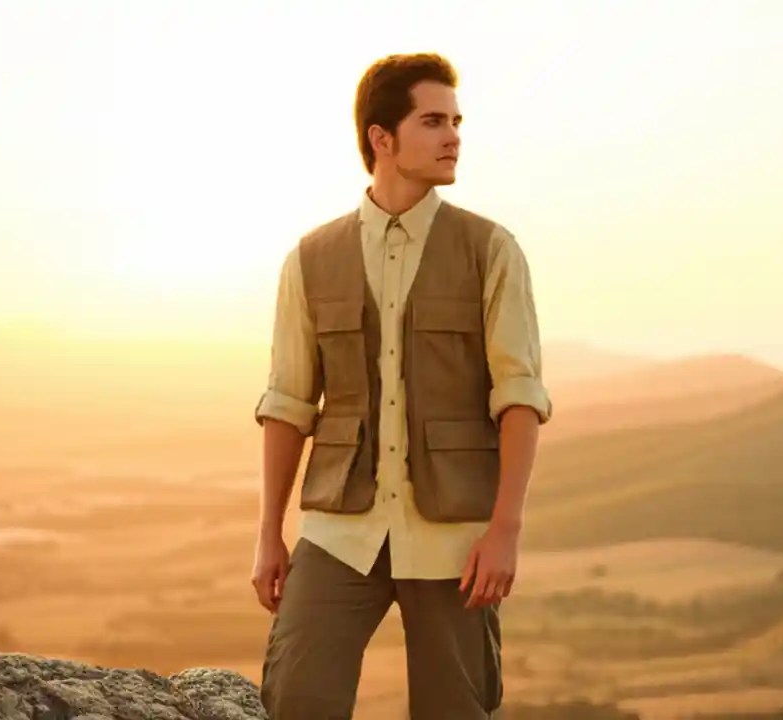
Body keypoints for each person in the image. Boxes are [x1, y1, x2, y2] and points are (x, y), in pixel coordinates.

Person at [249, 52, 553, 719]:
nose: (453, 137)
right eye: (433, 121)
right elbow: (289, 405)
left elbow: (520, 399)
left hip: (455, 541)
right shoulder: (310, 258)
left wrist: (504, 529)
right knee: (296, 698)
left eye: (456, 121)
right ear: (380, 139)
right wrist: (270, 531)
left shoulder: (490, 250)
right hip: (337, 532)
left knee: (455, 710)